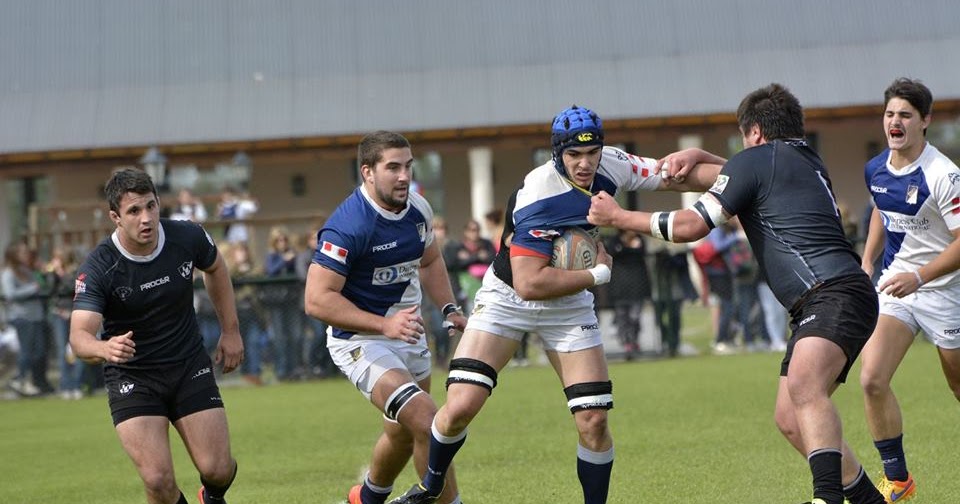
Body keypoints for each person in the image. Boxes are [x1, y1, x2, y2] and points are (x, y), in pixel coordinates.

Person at [391, 105, 719, 504]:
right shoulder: (539, 197)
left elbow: (676, 175)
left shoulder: (612, 163)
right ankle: (432, 485)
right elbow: (530, 284)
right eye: (573, 155)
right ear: (556, 153)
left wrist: (740, 173)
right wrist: (598, 276)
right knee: (461, 406)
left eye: (591, 152)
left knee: (594, 420)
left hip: (568, 303)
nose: (584, 164)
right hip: (508, 298)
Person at [587, 84, 885, 504]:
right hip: (833, 295)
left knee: (804, 386)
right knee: (790, 417)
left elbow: (691, 226)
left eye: (743, 138)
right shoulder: (801, 158)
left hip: (832, 292)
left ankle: (827, 498)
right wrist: (704, 158)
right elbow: (736, 174)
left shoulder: (759, 162)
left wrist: (619, 216)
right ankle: (870, 501)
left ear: (756, 133)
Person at [304, 131, 467, 504]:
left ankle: (367, 498)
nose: (404, 176)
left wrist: (449, 308)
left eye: (408, 166)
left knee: (404, 433)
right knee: (428, 421)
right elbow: (315, 301)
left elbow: (430, 260)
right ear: (368, 172)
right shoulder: (348, 226)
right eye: (392, 167)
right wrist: (383, 325)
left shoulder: (419, 209)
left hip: (407, 335)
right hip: (359, 340)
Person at [70, 167, 244, 504]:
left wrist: (231, 331)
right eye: (134, 211)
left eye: (151, 206)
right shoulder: (99, 267)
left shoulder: (187, 237)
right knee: (158, 480)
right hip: (134, 377)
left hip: (187, 364)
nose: (146, 217)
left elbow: (216, 267)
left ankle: (212, 496)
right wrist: (104, 347)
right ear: (115, 217)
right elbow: (79, 336)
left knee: (218, 469)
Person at [858, 78, 960, 503]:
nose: (894, 122)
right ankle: (899, 480)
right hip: (897, 287)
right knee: (871, 380)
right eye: (889, 114)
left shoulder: (944, 175)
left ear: (925, 122)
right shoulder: (876, 168)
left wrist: (920, 277)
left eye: (904, 115)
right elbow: (884, 210)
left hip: (946, 292)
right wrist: (867, 260)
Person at [2, 242, 49, 397]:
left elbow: (42, 285)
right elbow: (10, 294)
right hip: (22, 317)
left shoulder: (26, 270)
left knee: (39, 351)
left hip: (36, 316)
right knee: (26, 351)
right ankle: (19, 379)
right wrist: (32, 288)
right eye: (22, 252)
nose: (25, 254)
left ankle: (30, 380)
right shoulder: (8, 273)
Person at [604, 229, 651, 359]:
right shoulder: (614, 241)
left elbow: (641, 252)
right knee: (622, 317)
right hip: (620, 286)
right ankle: (627, 343)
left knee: (635, 317)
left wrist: (626, 249)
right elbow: (613, 252)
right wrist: (629, 248)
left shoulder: (640, 240)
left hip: (637, 285)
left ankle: (634, 340)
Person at [46, 247, 86, 399]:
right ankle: (65, 386)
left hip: (74, 313)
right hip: (59, 314)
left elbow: (71, 289)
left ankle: (77, 384)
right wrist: (53, 275)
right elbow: (49, 290)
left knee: (76, 348)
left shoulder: (76, 271)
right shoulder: (53, 274)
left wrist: (62, 275)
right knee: (62, 350)